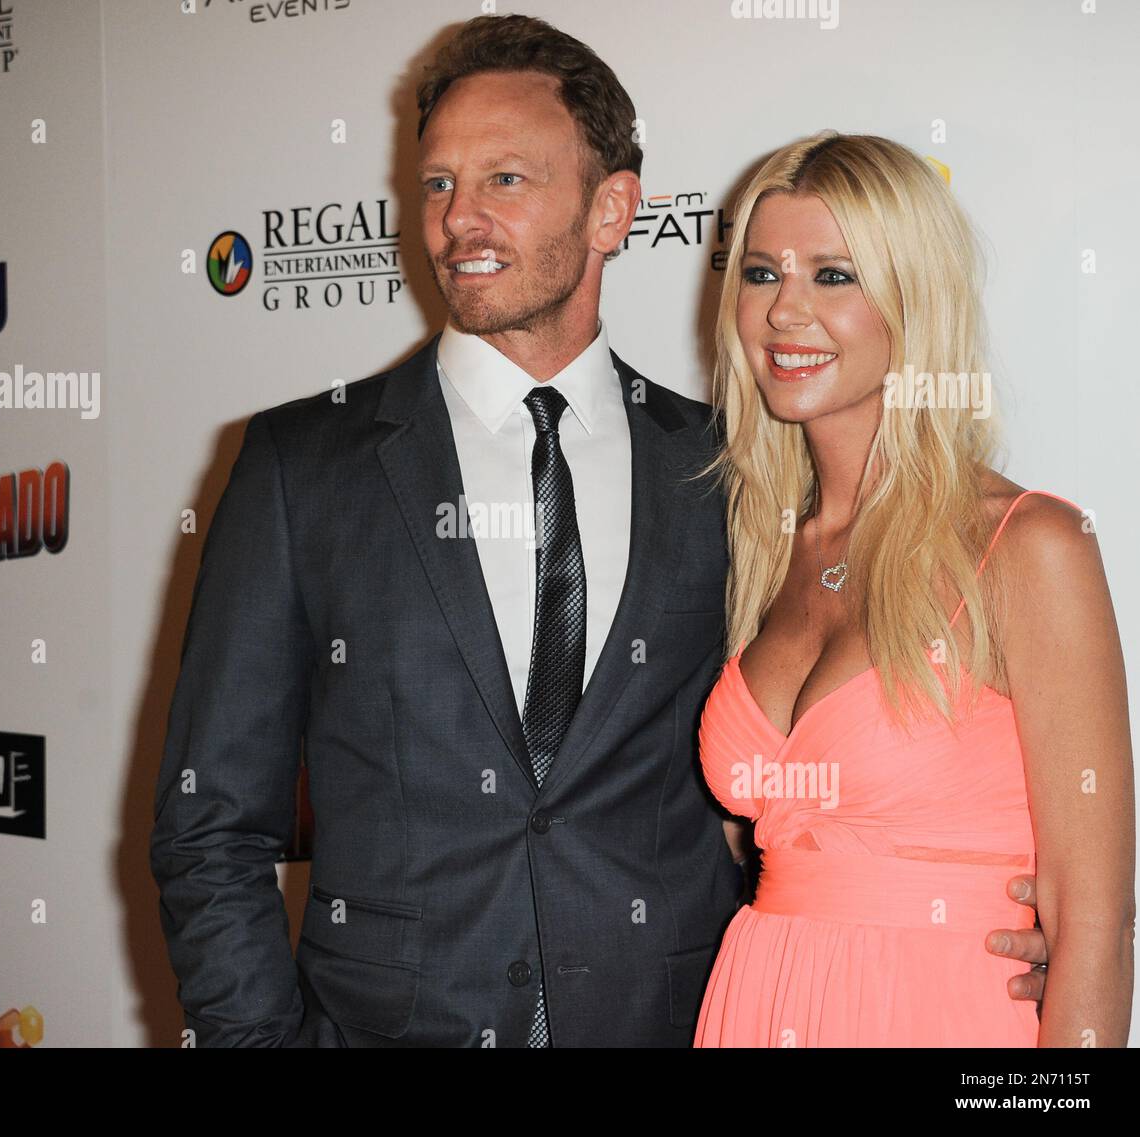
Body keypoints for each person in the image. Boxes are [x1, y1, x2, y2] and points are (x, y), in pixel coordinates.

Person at [149, 15, 1050, 1047]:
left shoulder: (733, 472)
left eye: (506, 181)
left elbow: (832, 763)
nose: (459, 220)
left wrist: (996, 914)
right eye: (438, 183)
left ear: (613, 208)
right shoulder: (301, 467)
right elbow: (207, 821)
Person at [693, 132, 1134, 1047]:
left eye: (835, 276)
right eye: (764, 273)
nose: (786, 312)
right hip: (760, 1002)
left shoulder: (1026, 545)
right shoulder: (760, 544)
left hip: (941, 1016)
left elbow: (1094, 925)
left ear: (914, 298)